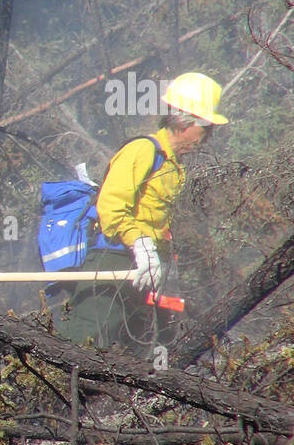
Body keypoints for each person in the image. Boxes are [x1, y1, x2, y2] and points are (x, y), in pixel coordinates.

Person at [58, 72, 228, 355]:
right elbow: (111, 206)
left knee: (136, 354)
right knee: (83, 346)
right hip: (112, 261)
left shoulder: (174, 167)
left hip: (142, 272)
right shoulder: (142, 151)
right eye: (207, 127)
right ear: (185, 120)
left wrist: (157, 259)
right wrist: (142, 246)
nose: (208, 136)